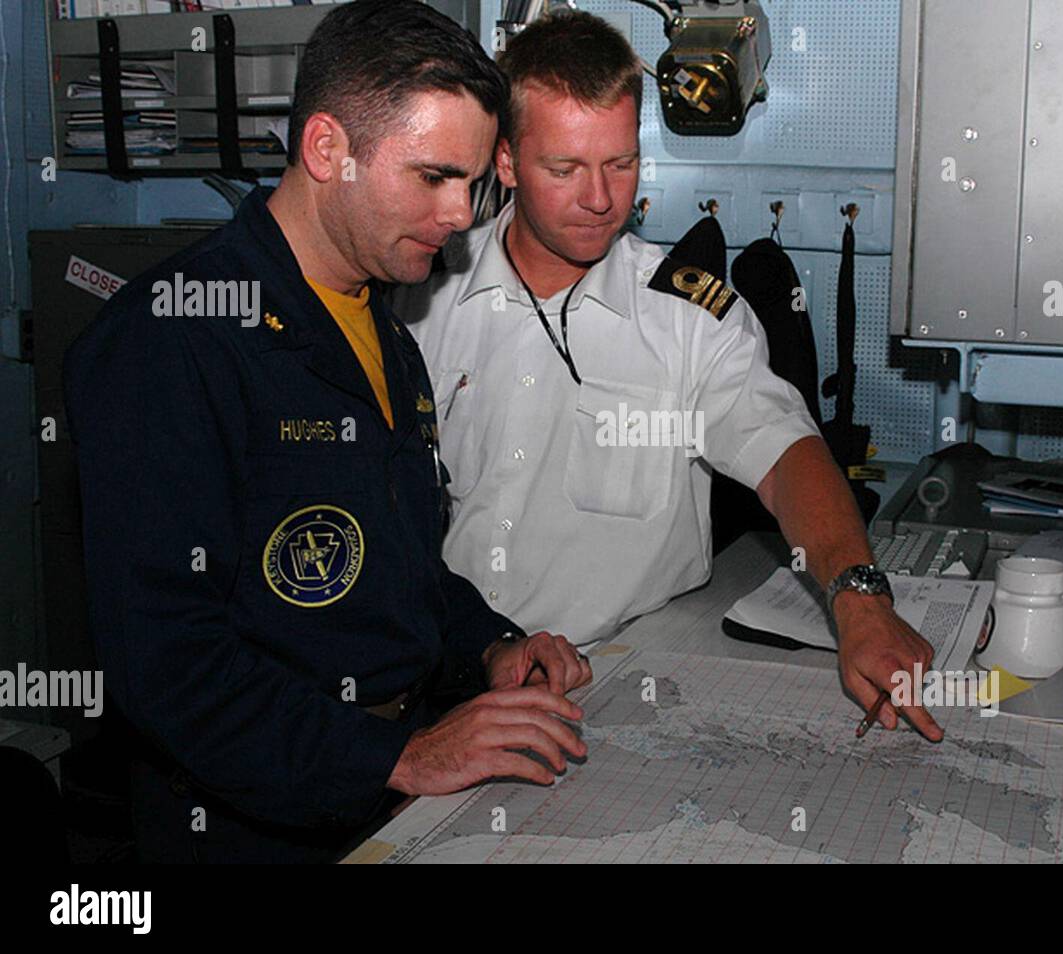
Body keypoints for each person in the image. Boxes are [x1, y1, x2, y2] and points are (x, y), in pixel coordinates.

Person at [65, 0, 589, 864]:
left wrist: (491, 647)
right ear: (325, 150)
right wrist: (397, 756)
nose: (462, 214)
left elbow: (402, 572)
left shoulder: (383, 330)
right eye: (433, 177)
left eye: (473, 184)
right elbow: (167, 665)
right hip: (246, 827)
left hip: (386, 799)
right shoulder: (169, 342)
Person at [394, 12, 944, 743]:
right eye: (564, 169)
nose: (600, 198)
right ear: (503, 161)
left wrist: (859, 598)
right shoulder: (416, 302)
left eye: (621, 164)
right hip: (454, 684)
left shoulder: (689, 314)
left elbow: (786, 457)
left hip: (627, 686)